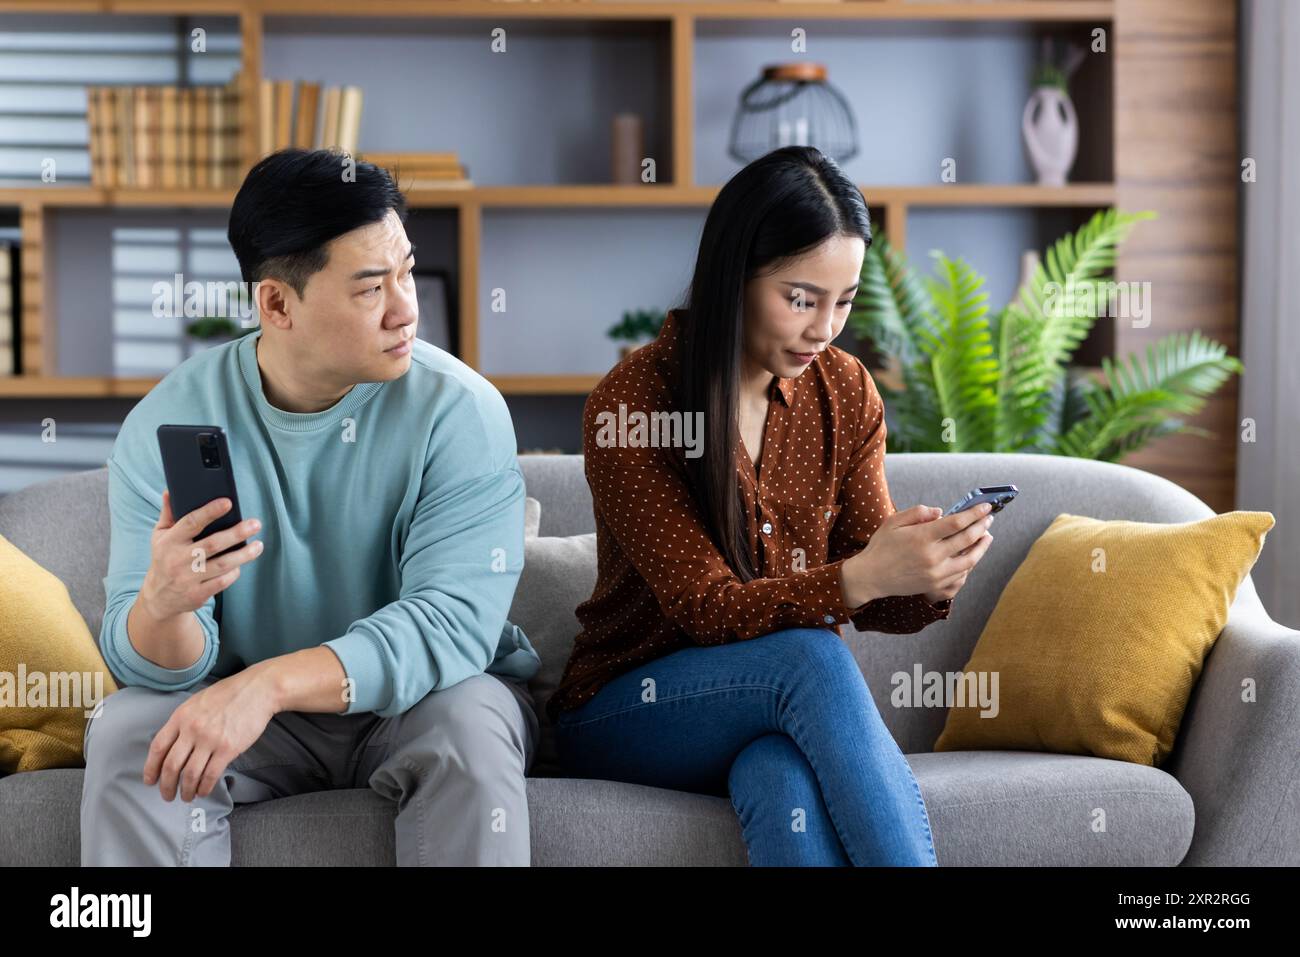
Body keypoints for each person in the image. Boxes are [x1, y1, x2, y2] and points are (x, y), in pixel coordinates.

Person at [81, 148, 540, 866]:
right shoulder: (168, 420)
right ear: (276, 304)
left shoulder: (459, 410)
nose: (406, 308)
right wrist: (164, 607)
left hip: (418, 702)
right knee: (128, 730)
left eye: (407, 272)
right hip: (253, 718)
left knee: (471, 725)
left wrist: (268, 685)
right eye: (370, 288)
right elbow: (159, 669)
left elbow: (451, 627)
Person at [547, 145, 995, 867]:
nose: (825, 328)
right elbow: (706, 608)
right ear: (735, 276)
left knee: (777, 772)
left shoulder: (845, 391)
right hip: (627, 708)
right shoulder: (634, 403)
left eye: (844, 301)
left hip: (767, 712)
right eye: (801, 299)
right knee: (810, 658)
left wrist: (928, 573)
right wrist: (862, 576)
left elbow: (876, 596)